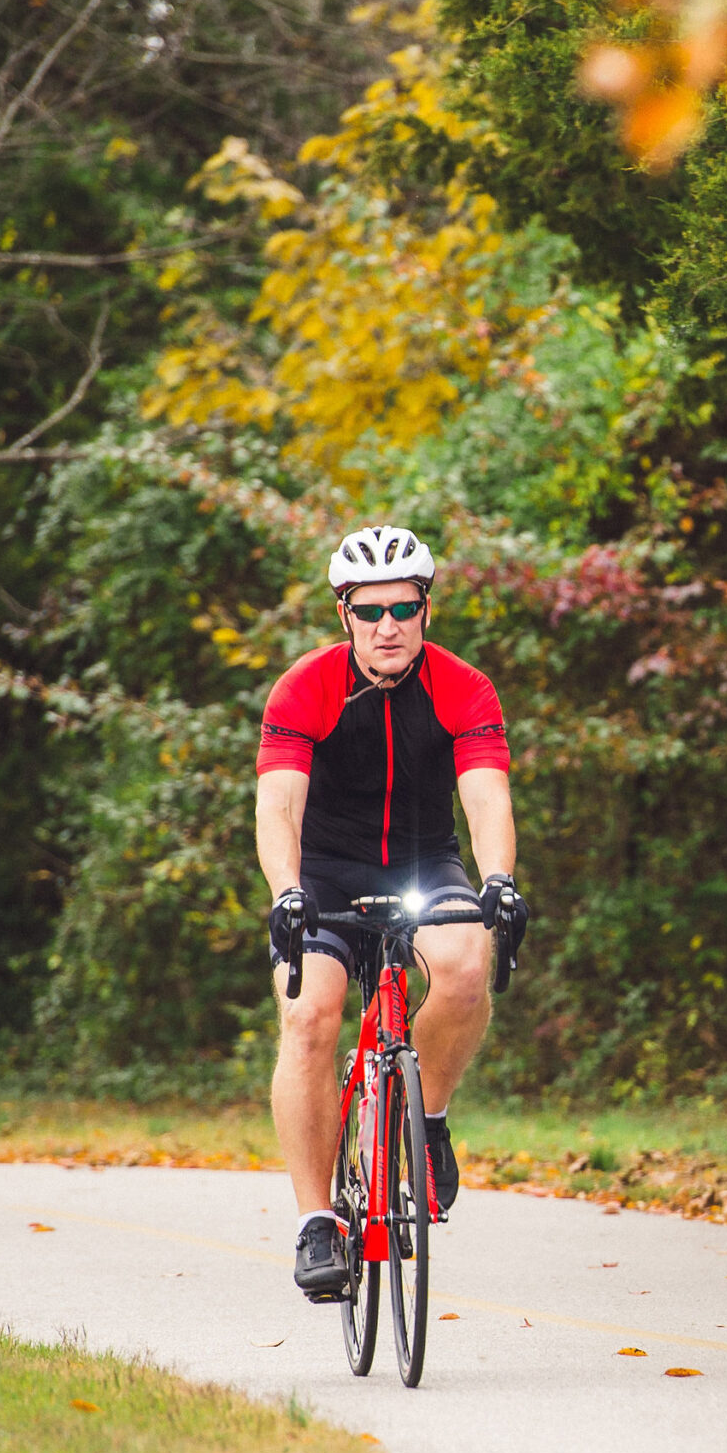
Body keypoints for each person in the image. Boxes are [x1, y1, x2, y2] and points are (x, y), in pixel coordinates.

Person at [254, 524, 527, 1301]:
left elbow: (486, 795)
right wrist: (286, 891)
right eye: (369, 610)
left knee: (467, 966)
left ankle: (427, 1119)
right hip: (323, 873)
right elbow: (278, 805)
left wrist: (498, 878)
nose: (388, 626)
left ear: (426, 610)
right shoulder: (305, 687)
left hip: (424, 861)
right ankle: (315, 1223)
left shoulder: (464, 687)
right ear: (344, 614)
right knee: (311, 1016)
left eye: (403, 608)